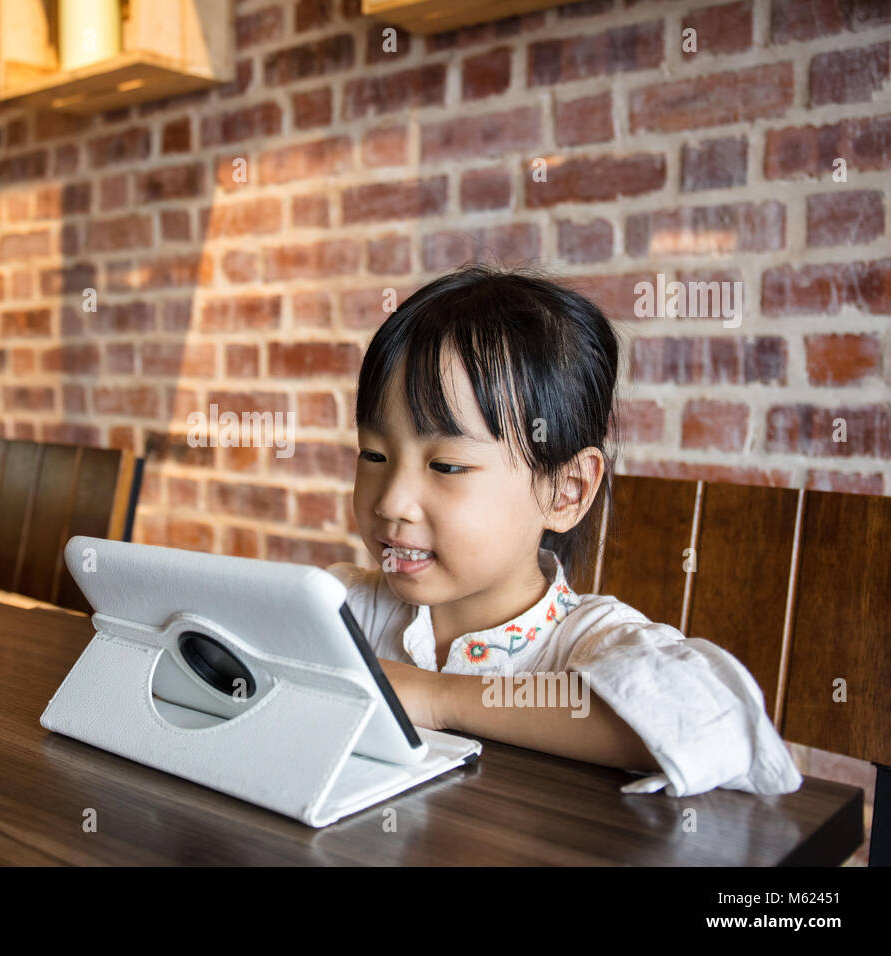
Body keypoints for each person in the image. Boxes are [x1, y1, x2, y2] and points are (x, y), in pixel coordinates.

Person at [328, 264, 801, 796]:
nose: (391, 500)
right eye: (373, 454)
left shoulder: (585, 639)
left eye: (447, 466)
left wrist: (437, 697)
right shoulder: (340, 607)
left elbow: (711, 723)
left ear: (566, 490)